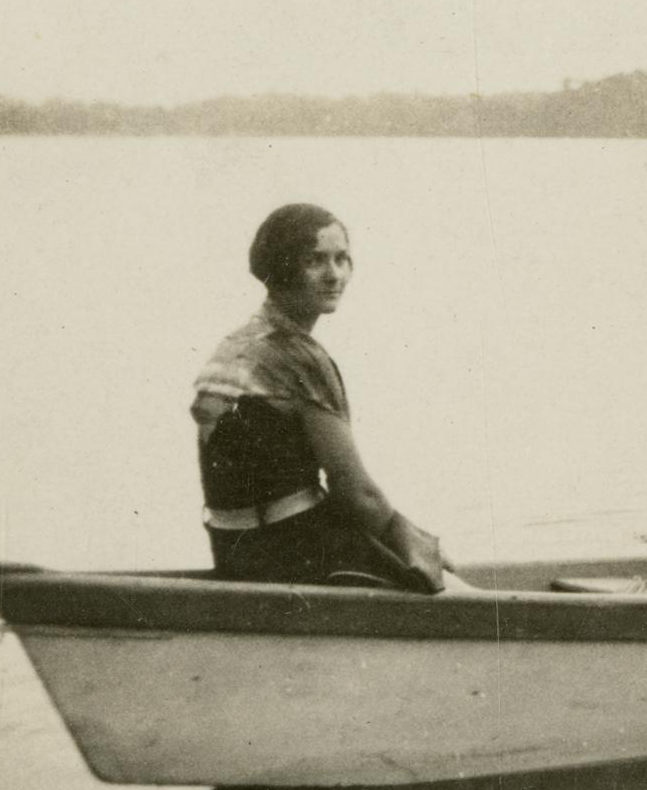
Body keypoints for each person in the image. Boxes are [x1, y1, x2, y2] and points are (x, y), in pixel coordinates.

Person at [191, 203, 454, 591]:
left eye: (342, 259)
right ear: (281, 265)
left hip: (234, 551)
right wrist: (417, 547)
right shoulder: (298, 357)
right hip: (296, 554)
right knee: (446, 585)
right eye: (315, 260)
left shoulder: (236, 343)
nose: (334, 275)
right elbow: (356, 492)